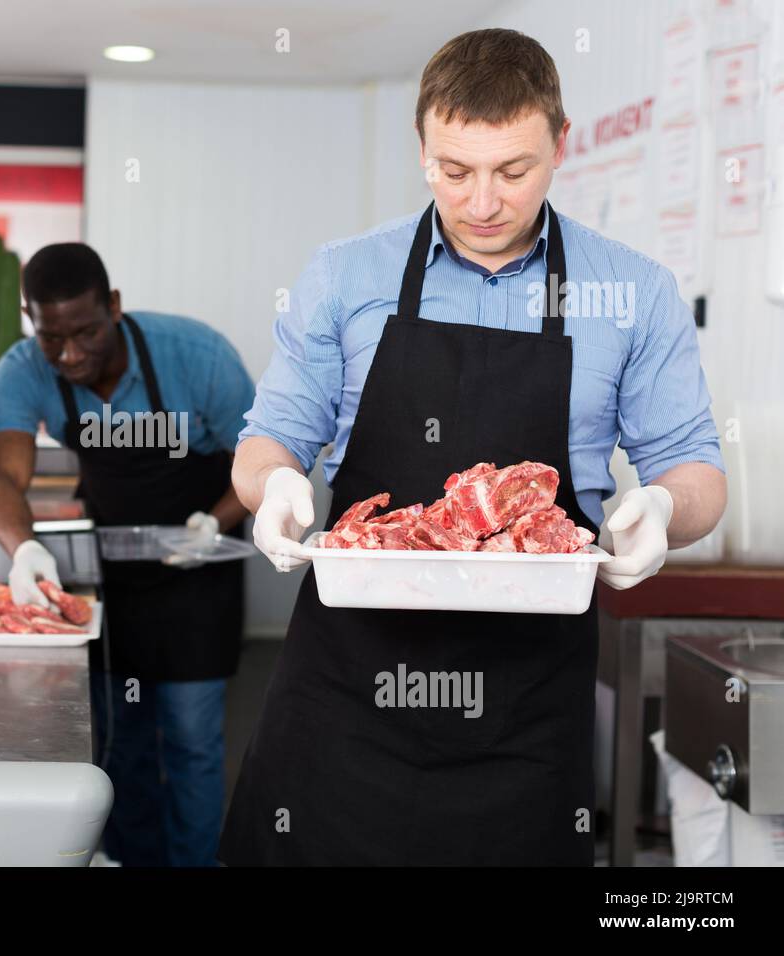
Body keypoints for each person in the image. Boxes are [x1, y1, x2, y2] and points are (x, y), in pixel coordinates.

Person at [220, 29, 727, 866]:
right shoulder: (345, 276)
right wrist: (272, 486)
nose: (483, 202)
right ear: (421, 147)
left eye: (514, 171)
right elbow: (266, 440)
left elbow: (697, 468)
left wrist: (666, 510)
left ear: (561, 145)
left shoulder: (634, 290)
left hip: (525, 709)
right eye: (454, 171)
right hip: (348, 693)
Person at [0, 242, 255, 866]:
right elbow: (3, 477)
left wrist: (213, 525)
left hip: (198, 568)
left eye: (85, 333)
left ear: (113, 306)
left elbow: (261, 460)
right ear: (32, 323)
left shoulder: (196, 355)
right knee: (121, 738)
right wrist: (21, 549)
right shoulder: (23, 370)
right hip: (110, 576)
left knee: (189, 738)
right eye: (53, 339)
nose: (71, 355)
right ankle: (135, 860)